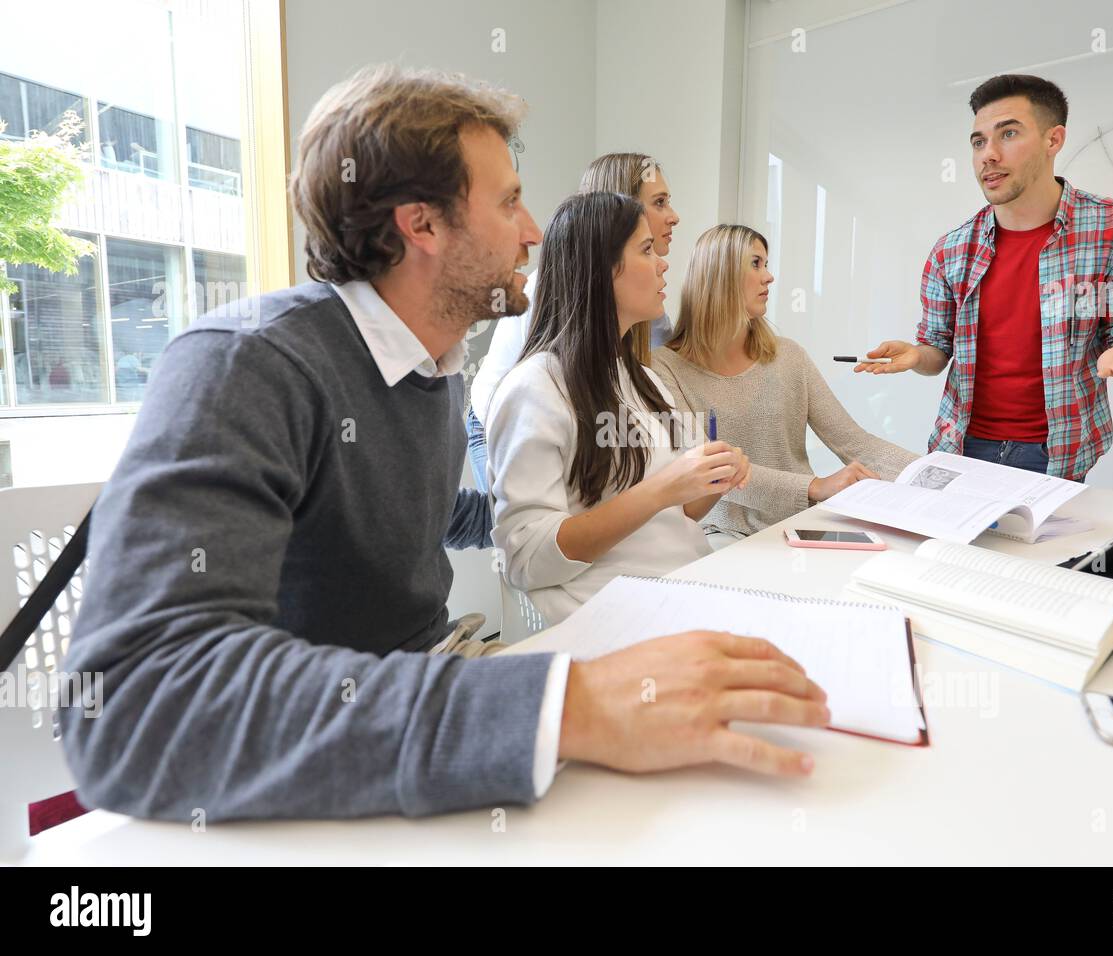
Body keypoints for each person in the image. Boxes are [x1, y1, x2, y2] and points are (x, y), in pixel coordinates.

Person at [58, 66, 829, 824]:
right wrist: (568, 706)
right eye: (511, 203)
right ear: (422, 224)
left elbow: (413, 514)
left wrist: (549, 510)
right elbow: (132, 704)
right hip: (315, 780)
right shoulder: (246, 365)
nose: (534, 232)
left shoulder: (436, 367)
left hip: (430, 687)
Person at [857, 73, 1113, 479]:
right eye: (979, 141)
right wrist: (918, 356)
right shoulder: (951, 250)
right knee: (942, 546)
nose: (989, 154)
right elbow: (937, 350)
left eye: (1008, 134)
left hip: (1057, 453)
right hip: (958, 447)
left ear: (1053, 140)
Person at [487, 191, 751, 625]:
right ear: (601, 270)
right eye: (646, 250)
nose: (664, 263)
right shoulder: (534, 389)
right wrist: (662, 489)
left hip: (688, 592)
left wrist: (713, 479)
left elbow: (684, 513)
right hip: (615, 619)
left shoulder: (644, 380)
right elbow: (527, 559)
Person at [652, 225, 917, 547]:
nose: (769, 277)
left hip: (802, 525)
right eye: (755, 264)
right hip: (721, 535)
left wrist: (931, 472)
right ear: (720, 273)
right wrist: (814, 486)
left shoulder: (788, 356)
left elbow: (855, 443)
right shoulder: (665, 367)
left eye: (766, 264)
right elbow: (711, 470)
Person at [465, 152, 680, 492]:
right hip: (495, 420)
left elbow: (672, 353)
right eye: (660, 202)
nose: (673, 216)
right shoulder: (553, 293)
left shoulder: (641, 297)